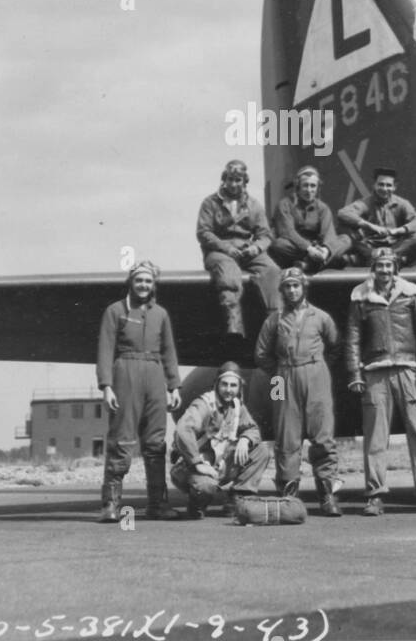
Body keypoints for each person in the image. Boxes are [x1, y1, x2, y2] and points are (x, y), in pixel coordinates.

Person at [344, 250, 416, 516]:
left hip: (409, 370)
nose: (385, 271)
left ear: (396, 268)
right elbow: (353, 338)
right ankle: (375, 494)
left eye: (389, 265)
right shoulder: (361, 297)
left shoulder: (411, 294)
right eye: (380, 266)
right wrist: (355, 373)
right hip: (376, 372)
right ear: (373, 269)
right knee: (375, 436)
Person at [96, 260, 182, 522]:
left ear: (153, 285)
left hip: (154, 372)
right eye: (139, 280)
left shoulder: (161, 314)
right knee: (121, 438)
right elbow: (105, 349)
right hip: (126, 372)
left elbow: (168, 351)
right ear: (131, 282)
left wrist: (174, 385)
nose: (144, 285)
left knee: (156, 441)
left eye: (148, 281)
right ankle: (111, 505)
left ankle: (158, 503)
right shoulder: (115, 311)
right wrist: (106, 386)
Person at [254, 266, 342, 516]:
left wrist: (316, 369)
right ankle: (288, 496)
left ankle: (327, 495)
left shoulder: (321, 317)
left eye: (296, 285)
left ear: (304, 287)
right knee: (285, 436)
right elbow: (261, 354)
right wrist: (281, 371)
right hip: (281, 379)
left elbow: (335, 346)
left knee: (323, 434)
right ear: (281, 290)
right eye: (287, 286)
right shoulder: (274, 319)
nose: (292, 290)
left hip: (315, 373)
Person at [170, 362, 271, 519]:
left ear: (239, 387)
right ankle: (197, 504)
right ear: (217, 384)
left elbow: (252, 429)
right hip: (192, 468)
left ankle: (238, 497)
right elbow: (183, 429)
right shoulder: (204, 404)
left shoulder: (237, 407)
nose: (228, 390)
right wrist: (197, 463)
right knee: (206, 486)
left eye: (233, 385)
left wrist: (245, 439)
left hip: (219, 466)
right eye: (224, 384)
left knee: (261, 450)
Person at [196, 159, 281, 337]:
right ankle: (234, 324)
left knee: (272, 270)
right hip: (219, 251)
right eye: (230, 179)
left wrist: (256, 248)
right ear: (224, 180)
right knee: (229, 273)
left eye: (238, 180)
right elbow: (204, 232)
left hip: (246, 249)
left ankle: (276, 321)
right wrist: (225, 247)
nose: (234, 184)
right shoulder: (210, 203)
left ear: (244, 181)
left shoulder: (254, 205)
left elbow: (265, 234)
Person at [337, 168, 416, 267]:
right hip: (370, 247)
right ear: (374, 185)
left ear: (394, 187)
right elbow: (343, 213)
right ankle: (374, 258)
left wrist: (398, 231)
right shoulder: (366, 202)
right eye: (381, 184)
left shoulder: (401, 203)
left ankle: (389, 258)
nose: (384, 189)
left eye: (388, 185)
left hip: (395, 246)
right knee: (343, 230)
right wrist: (370, 226)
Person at [271, 166, 352, 271]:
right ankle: (327, 262)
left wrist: (325, 250)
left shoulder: (323, 208)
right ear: (298, 186)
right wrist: (309, 249)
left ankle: (312, 264)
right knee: (279, 244)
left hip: (318, 247)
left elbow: (328, 233)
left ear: (317, 188)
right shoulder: (284, 204)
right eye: (305, 185)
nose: (309, 190)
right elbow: (288, 232)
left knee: (345, 239)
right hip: (296, 247)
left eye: (313, 186)